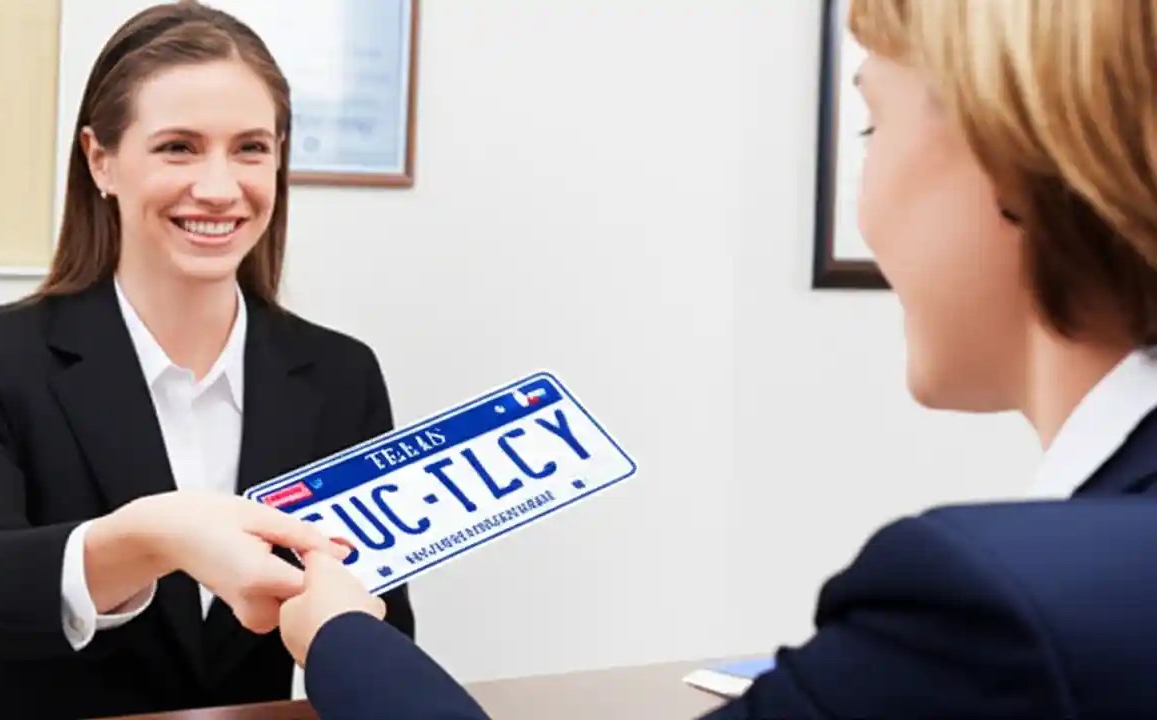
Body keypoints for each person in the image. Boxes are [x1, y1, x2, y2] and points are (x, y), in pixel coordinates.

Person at [271, 0, 1157, 717]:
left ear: (1007, 158)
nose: (867, 203)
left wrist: (345, 637)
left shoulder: (988, 604)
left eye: (871, 127)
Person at [0, 2, 414, 718]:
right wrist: (155, 537)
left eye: (251, 148)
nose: (219, 187)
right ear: (99, 159)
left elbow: (381, 620)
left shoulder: (339, 374)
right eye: (178, 146)